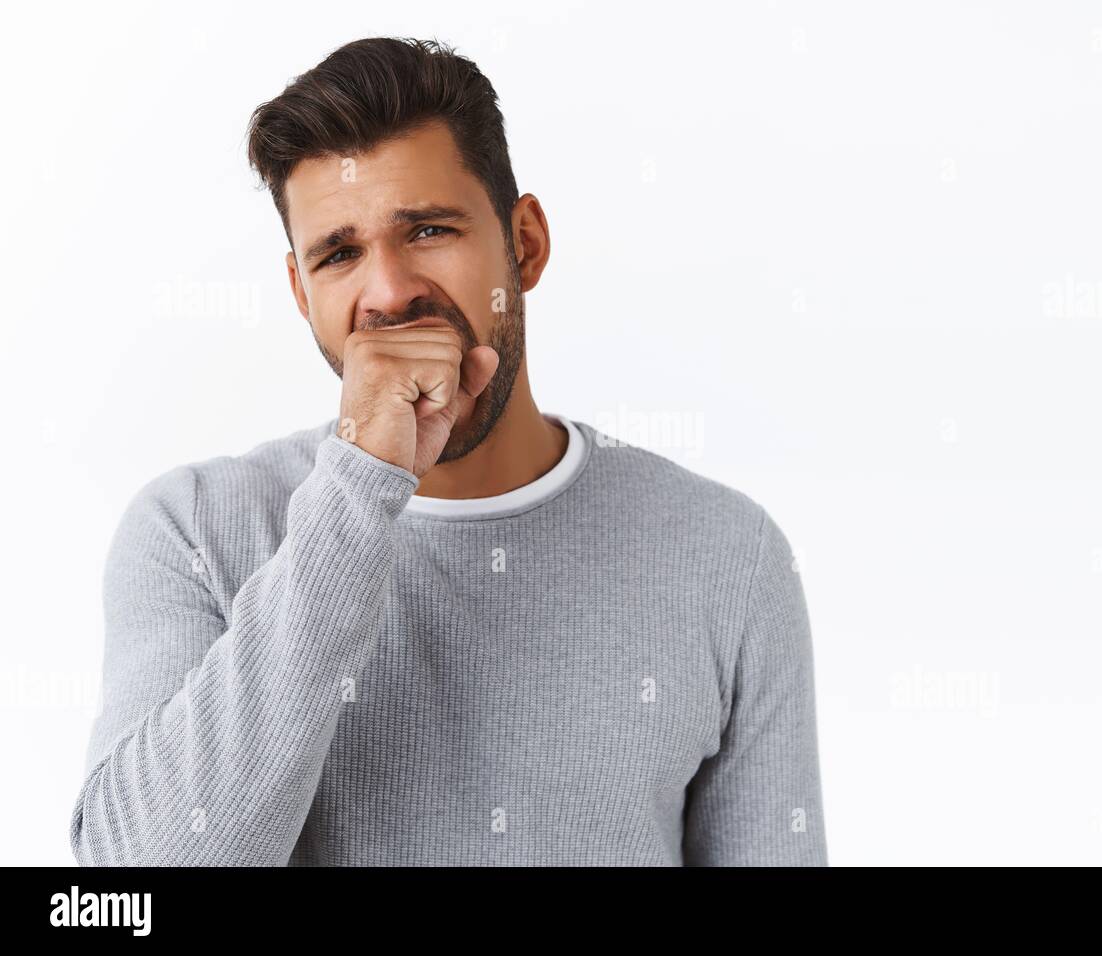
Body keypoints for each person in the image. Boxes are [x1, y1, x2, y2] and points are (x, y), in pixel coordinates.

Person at [69, 36, 827, 866]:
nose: (389, 291)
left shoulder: (725, 552)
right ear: (301, 294)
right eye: (341, 254)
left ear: (526, 244)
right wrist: (361, 482)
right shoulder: (193, 532)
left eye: (428, 229)